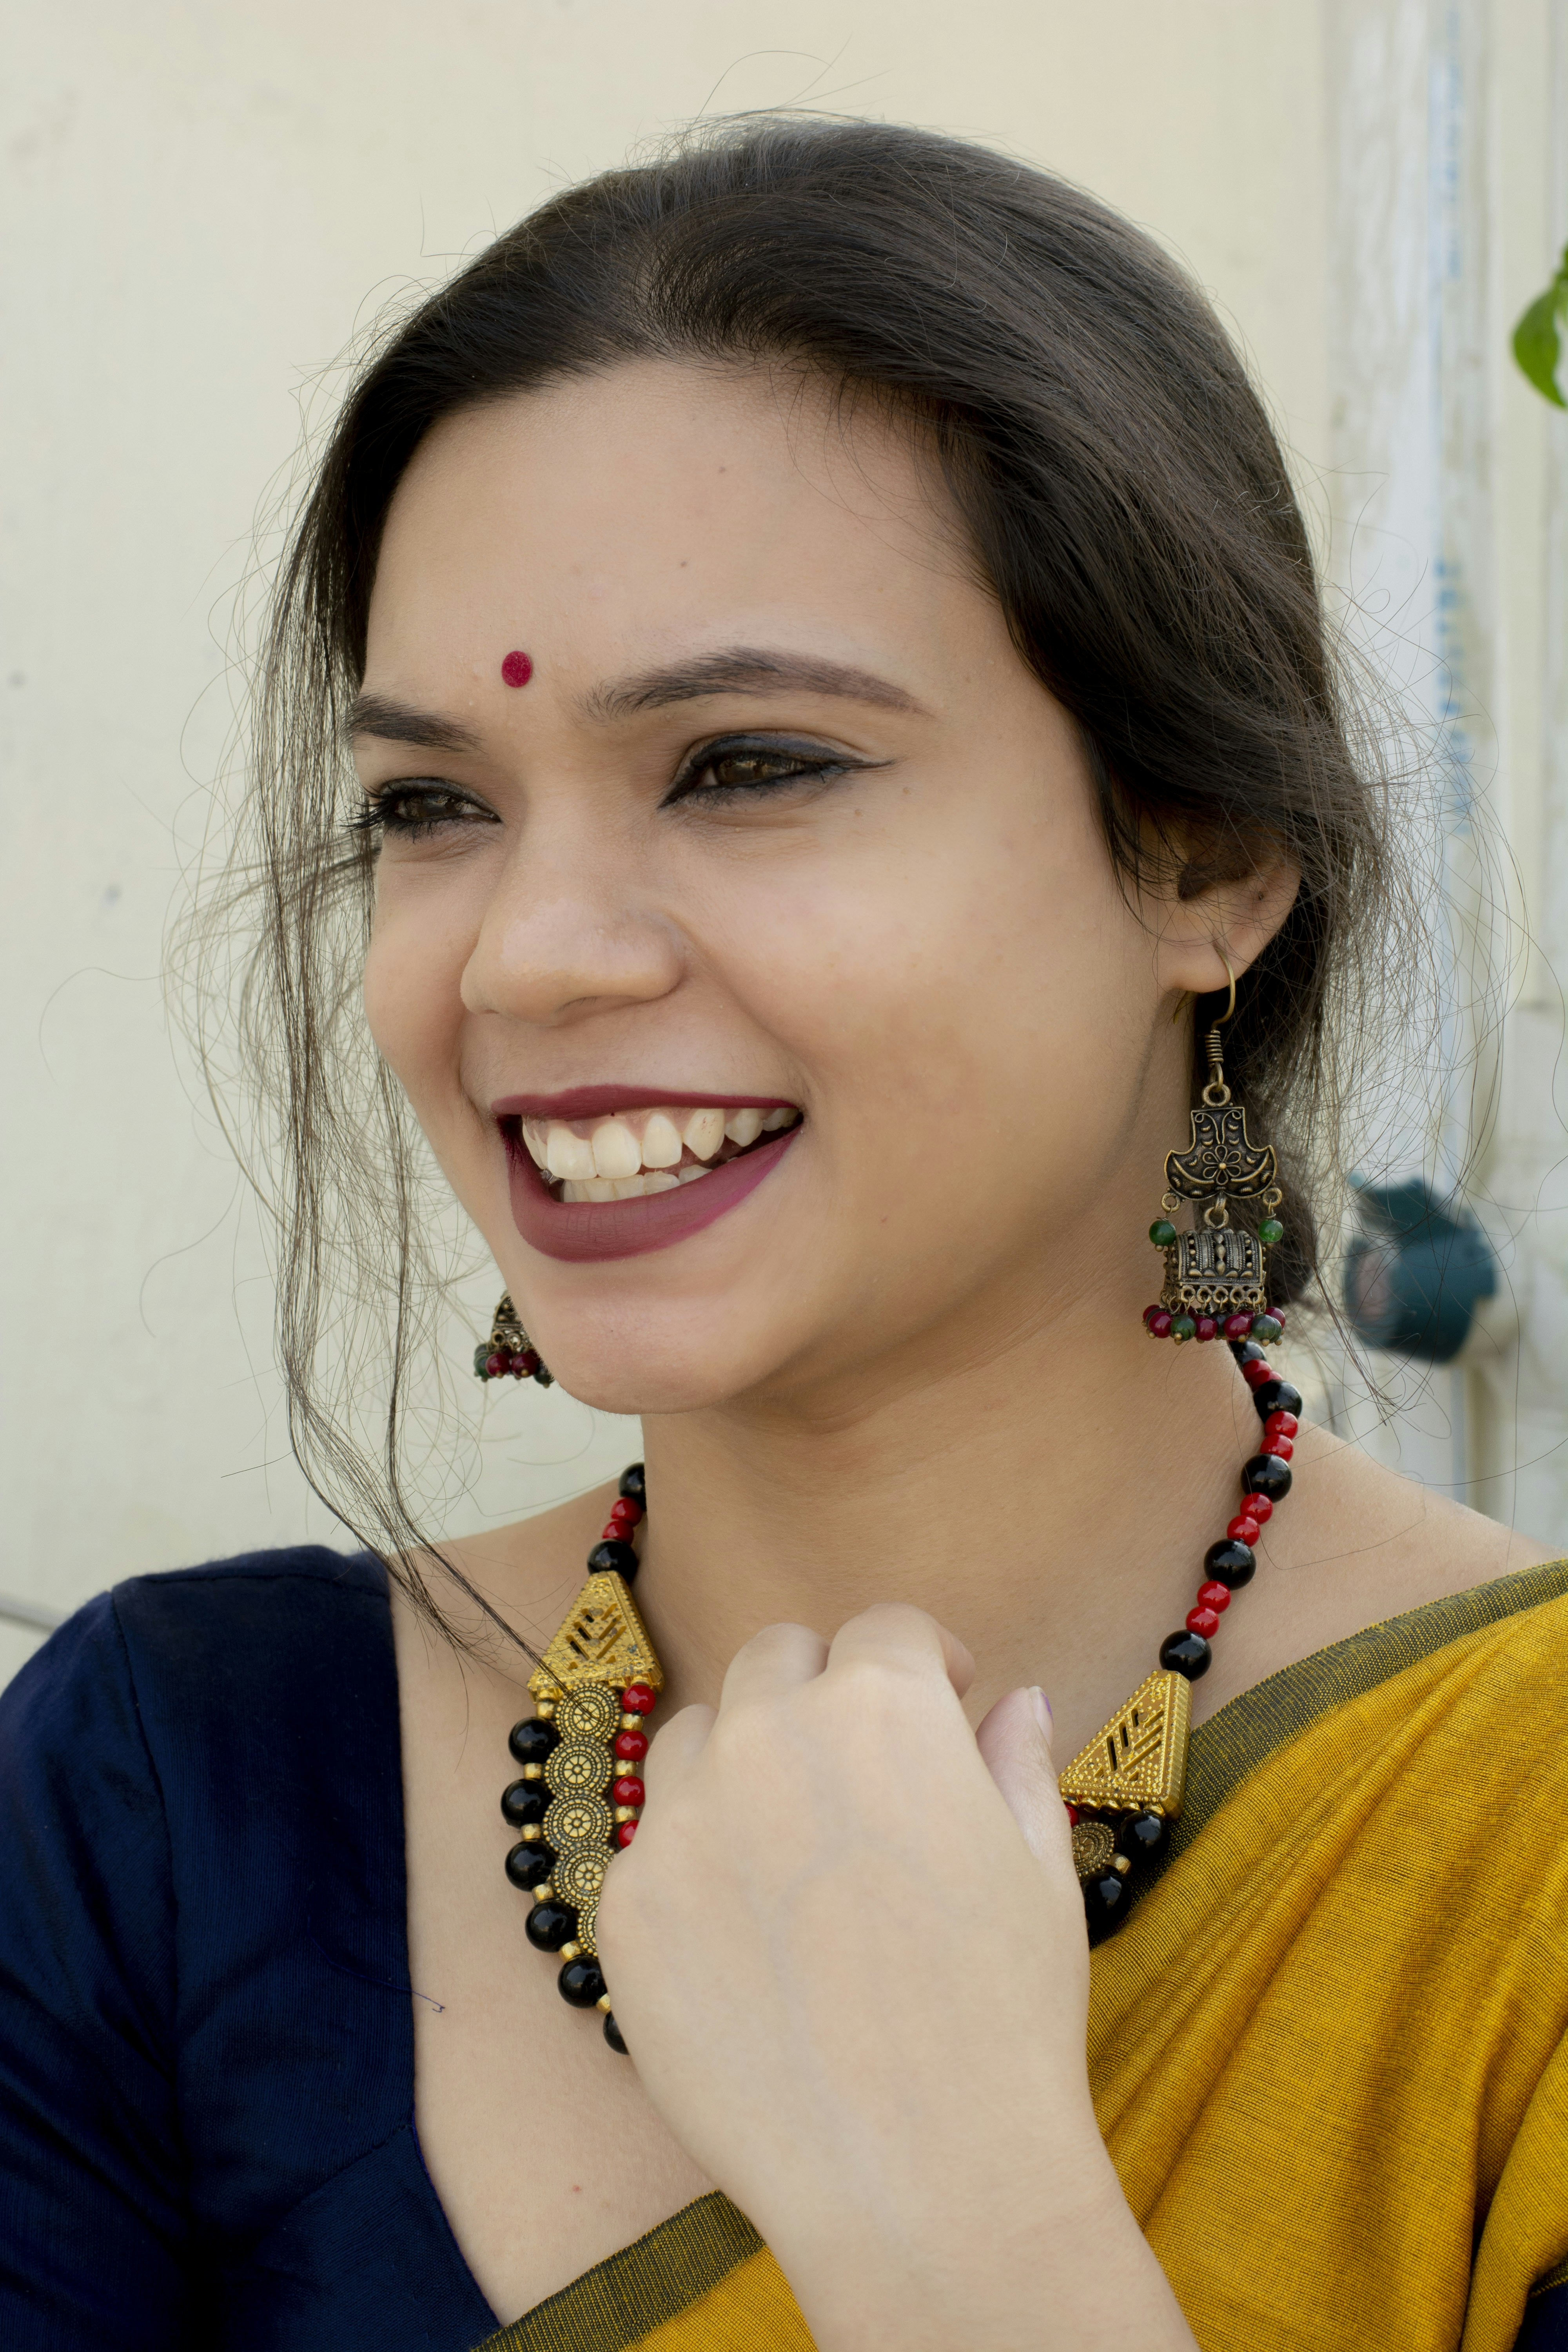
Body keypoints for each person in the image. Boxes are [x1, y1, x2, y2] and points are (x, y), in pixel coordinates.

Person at [1, 117, 1563, 2352]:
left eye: (748, 764)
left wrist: (957, 2225)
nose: (527, 959)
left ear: (1208, 854)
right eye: (431, 808)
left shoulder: (1522, 1834)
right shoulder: (170, 1804)